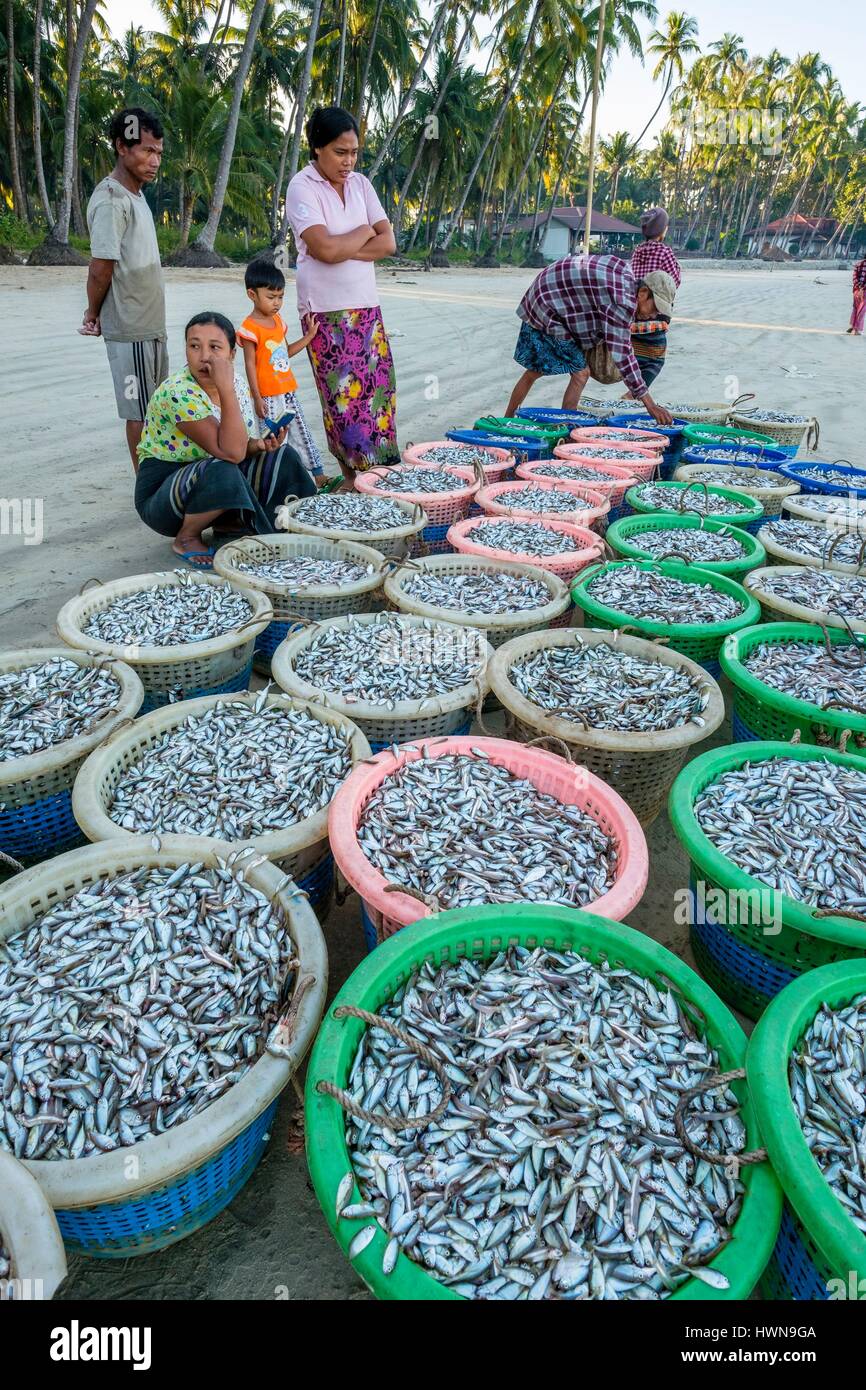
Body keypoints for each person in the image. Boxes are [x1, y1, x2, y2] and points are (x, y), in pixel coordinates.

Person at [135, 312, 316, 568]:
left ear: (231, 354)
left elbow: (240, 446)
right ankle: (186, 537)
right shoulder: (177, 392)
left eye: (215, 347)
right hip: (163, 499)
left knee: (282, 456)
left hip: (209, 474)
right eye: (194, 346)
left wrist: (260, 445)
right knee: (223, 467)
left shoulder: (237, 384)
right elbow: (230, 453)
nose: (204, 356)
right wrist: (225, 388)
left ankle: (234, 521)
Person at [284, 105, 399, 482]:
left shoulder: (362, 184)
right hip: (327, 312)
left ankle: (379, 473)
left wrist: (345, 246)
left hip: (367, 307)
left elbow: (389, 243)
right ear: (317, 147)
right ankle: (353, 479)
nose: (348, 161)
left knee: (379, 392)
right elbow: (323, 250)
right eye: (339, 152)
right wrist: (364, 231)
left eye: (353, 152)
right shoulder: (302, 186)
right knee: (343, 401)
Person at [84, 108, 167, 471]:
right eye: (146, 151)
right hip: (130, 328)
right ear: (121, 147)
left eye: (159, 153)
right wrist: (92, 312)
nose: (154, 161)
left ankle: (159, 475)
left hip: (150, 326)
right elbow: (101, 268)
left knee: (159, 407)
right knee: (139, 412)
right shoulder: (111, 199)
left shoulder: (136, 195)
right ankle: (145, 484)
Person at [505, 253, 675, 426]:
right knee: (580, 373)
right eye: (655, 308)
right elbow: (624, 357)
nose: (653, 315)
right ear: (643, 293)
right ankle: (566, 427)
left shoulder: (626, 273)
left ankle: (507, 419)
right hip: (547, 305)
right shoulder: (621, 303)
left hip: (550, 293)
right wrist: (650, 405)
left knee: (536, 371)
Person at [237, 257, 325, 484]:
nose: (276, 303)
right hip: (266, 395)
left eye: (280, 297)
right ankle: (273, 482)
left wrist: (309, 337)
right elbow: (249, 365)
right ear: (252, 295)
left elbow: (285, 352)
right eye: (271, 297)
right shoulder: (250, 328)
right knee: (274, 439)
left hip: (287, 391)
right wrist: (256, 397)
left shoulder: (278, 322)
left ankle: (318, 476)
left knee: (301, 431)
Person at [847, 257, 866, 335]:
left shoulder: (858, 264)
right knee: (861, 310)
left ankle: (853, 326)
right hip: (864, 291)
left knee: (856, 308)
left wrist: (859, 287)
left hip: (856, 291)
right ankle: (856, 329)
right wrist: (863, 288)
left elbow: (854, 278)